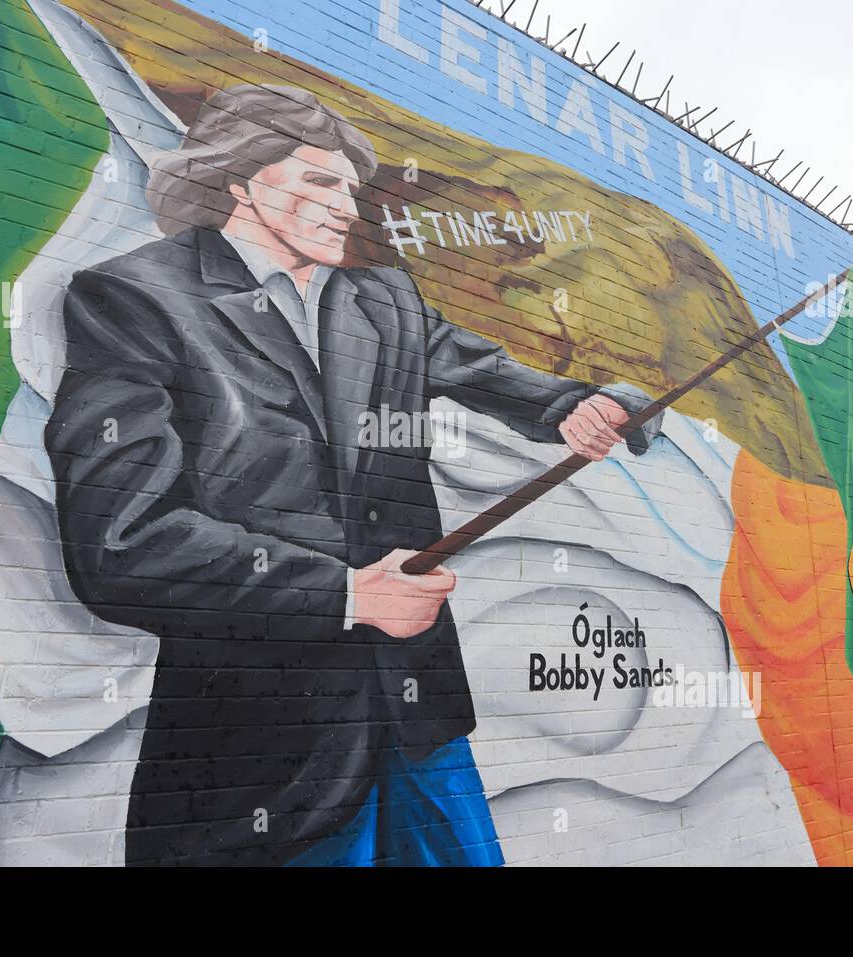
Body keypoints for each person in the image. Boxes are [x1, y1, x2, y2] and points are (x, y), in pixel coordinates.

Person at [45, 83, 661, 866]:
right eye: (318, 182)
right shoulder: (136, 299)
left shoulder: (383, 299)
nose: (345, 205)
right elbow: (121, 541)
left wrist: (584, 404)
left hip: (418, 720)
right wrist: (345, 595)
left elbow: (488, 372)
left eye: (349, 187)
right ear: (241, 181)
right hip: (265, 750)